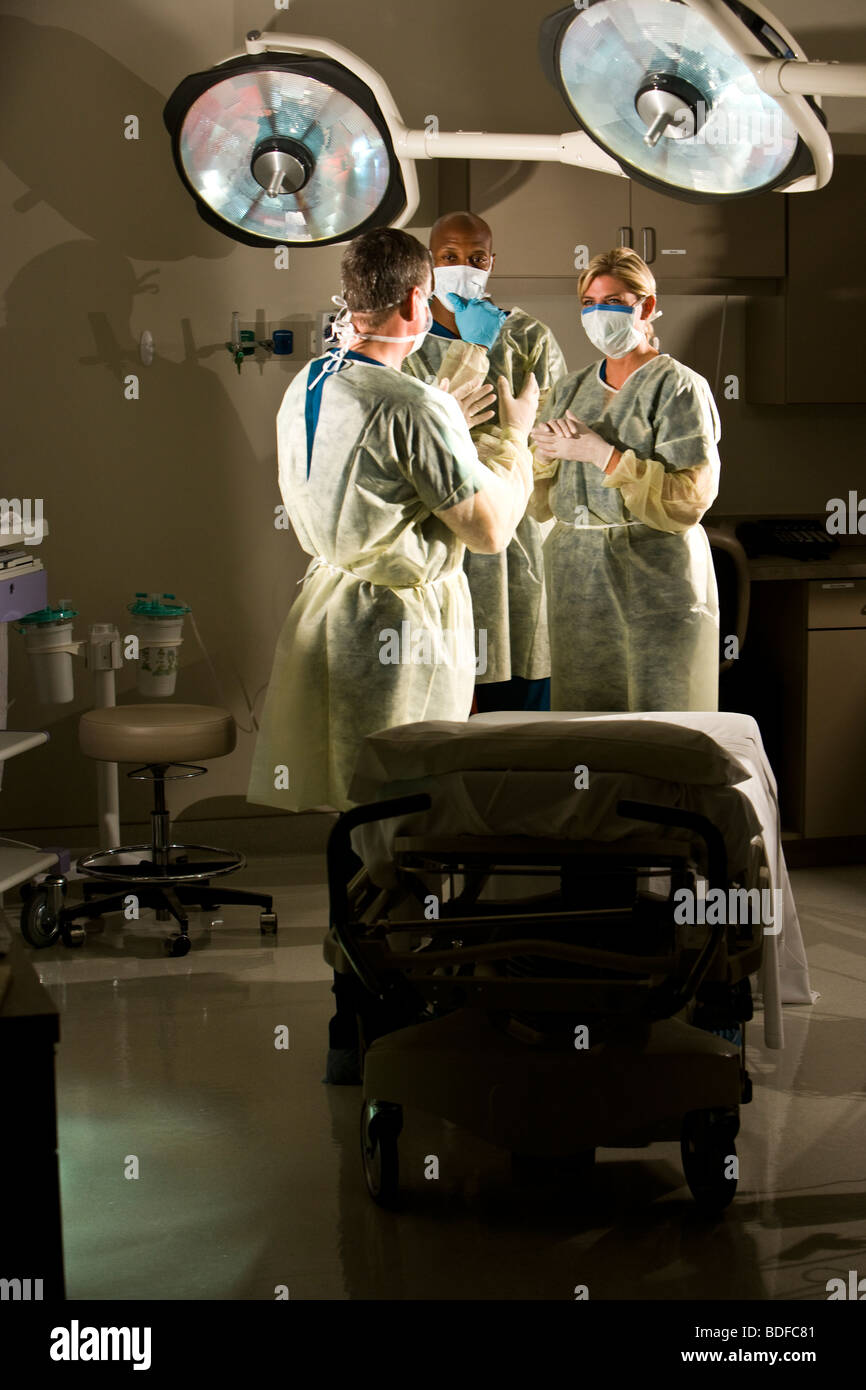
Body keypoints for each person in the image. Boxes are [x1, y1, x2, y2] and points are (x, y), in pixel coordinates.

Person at [247, 227, 538, 816]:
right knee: (402, 805)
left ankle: (360, 904)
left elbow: (378, 460)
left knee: (352, 795)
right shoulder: (414, 407)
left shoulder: (309, 381)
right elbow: (488, 532)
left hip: (331, 612)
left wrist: (445, 420)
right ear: (415, 302)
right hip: (400, 628)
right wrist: (514, 437)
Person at [530, 247, 721, 712]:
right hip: (577, 582)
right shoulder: (569, 390)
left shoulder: (678, 387)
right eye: (589, 304)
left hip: (656, 582)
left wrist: (604, 456)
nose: (599, 314)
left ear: (647, 306)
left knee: (662, 718)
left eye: (613, 301)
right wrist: (537, 458)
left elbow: (686, 502)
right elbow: (537, 504)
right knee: (586, 722)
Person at [403, 211, 568, 711]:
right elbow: (399, 441)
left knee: (522, 706)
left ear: (492, 262)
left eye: (476, 258)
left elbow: (557, 439)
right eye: (449, 257)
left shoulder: (528, 338)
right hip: (437, 535)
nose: (463, 268)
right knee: (446, 704)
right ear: (430, 264)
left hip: (519, 538)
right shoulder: (406, 341)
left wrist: (515, 455)